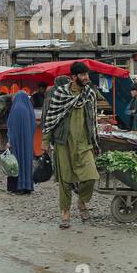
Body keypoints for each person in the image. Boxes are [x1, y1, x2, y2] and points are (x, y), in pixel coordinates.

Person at [42, 61, 100, 229]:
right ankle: (65, 213)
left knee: (91, 177)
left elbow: (93, 119)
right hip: (64, 144)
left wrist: (94, 140)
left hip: (84, 144)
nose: (86, 78)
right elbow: (50, 119)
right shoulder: (60, 94)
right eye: (83, 75)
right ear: (74, 77)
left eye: (87, 74)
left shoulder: (89, 94)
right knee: (65, 181)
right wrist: (45, 141)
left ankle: (82, 201)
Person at [6, 89, 37, 195]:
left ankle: (18, 187)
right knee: (27, 161)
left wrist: (10, 140)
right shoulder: (29, 109)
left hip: (17, 142)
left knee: (17, 163)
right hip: (27, 141)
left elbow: (12, 126)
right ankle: (27, 186)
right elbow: (33, 126)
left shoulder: (16, 109)